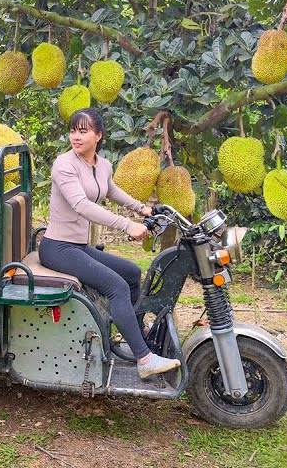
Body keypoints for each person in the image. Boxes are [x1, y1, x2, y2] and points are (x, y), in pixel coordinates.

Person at [41, 107, 181, 380]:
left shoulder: (103, 165)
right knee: (115, 286)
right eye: (73, 131)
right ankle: (144, 359)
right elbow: (81, 205)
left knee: (131, 274)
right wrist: (127, 225)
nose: (76, 137)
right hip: (58, 247)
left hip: (78, 247)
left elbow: (112, 190)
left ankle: (134, 338)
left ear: (98, 136)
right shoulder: (64, 164)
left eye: (83, 131)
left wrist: (144, 210)